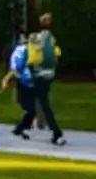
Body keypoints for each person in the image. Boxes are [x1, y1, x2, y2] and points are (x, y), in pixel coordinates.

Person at [26, 12, 66, 146]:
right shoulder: (52, 39)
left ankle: (56, 133)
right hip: (50, 74)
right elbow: (57, 54)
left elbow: (32, 58)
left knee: (42, 103)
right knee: (40, 100)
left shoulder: (36, 38)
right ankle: (32, 124)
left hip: (39, 74)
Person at [0, 34, 34, 140]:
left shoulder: (17, 50)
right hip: (26, 80)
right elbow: (18, 67)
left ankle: (24, 126)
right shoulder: (24, 50)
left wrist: (7, 78)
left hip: (21, 80)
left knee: (27, 106)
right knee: (30, 108)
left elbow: (14, 68)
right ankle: (20, 128)